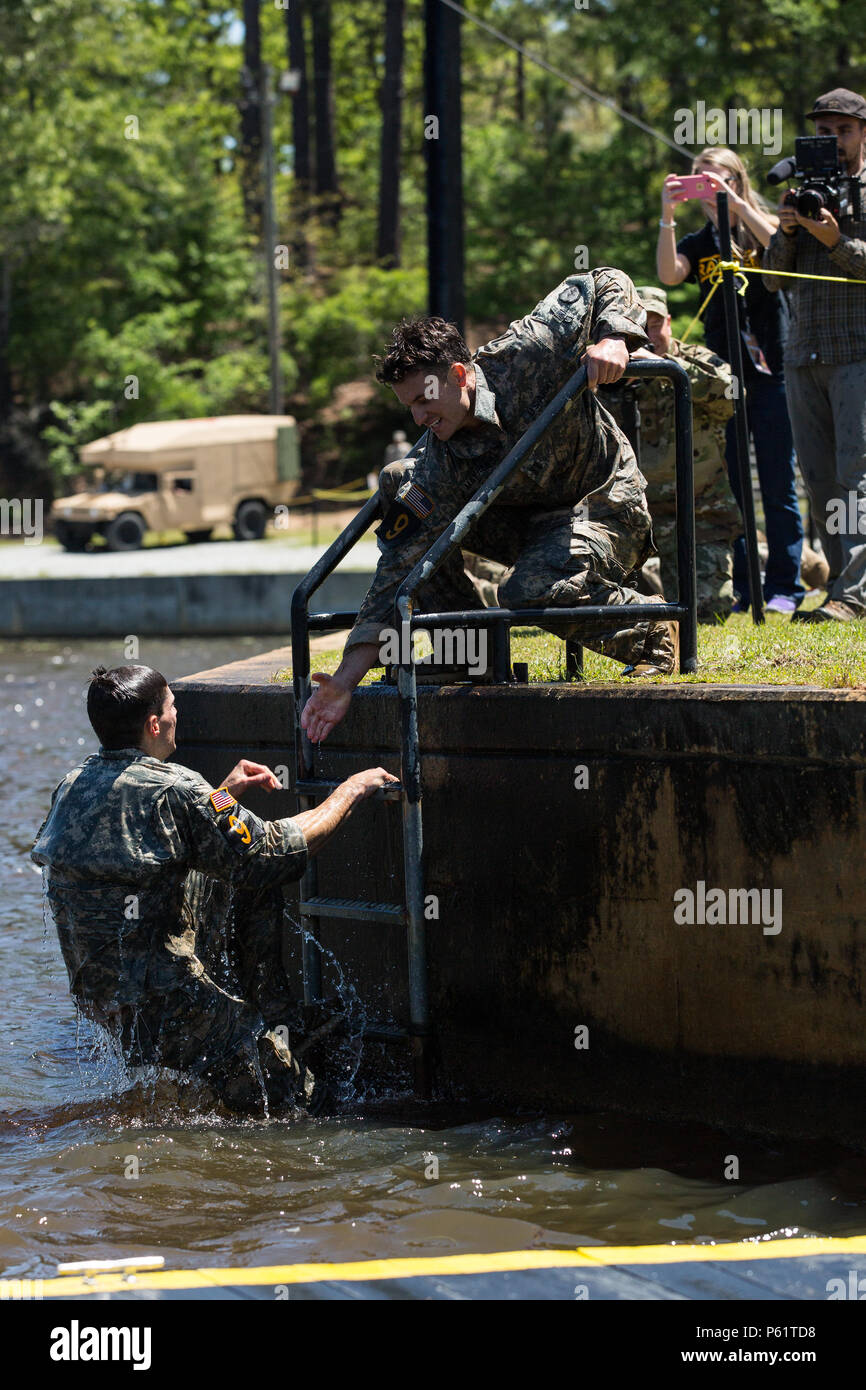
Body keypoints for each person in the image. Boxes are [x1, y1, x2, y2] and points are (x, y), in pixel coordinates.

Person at [301, 268, 679, 743]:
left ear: (459, 375)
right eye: (408, 407)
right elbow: (399, 568)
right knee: (404, 485)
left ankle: (651, 630)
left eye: (424, 399)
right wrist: (342, 682)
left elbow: (604, 278)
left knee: (525, 589)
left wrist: (614, 337)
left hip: (602, 503)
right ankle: (468, 650)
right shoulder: (441, 455)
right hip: (531, 522)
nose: (419, 418)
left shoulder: (531, 348)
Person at [31, 665, 398, 1113]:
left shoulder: (72, 785)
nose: (177, 715)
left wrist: (221, 794)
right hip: (160, 1000)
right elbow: (270, 852)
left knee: (242, 880)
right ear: (154, 724)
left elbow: (186, 836)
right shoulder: (176, 789)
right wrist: (351, 788)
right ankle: (262, 1046)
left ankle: (270, 1012)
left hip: (102, 1000)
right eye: (172, 708)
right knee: (279, 1085)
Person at [657, 146, 805, 615]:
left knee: (778, 483)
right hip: (722, 380)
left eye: (714, 178)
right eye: (697, 180)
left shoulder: (762, 230)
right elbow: (669, 273)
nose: (704, 187)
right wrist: (667, 214)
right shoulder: (701, 242)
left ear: (736, 180)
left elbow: (783, 247)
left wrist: (737, 206)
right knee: (733, 485)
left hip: (772, 371)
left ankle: (786, 586)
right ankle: (745, 586)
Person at [763, 88, 866, 623]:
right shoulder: (802, 195)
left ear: (863, 132)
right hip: (803, 355)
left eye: (843, 130)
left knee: (858, 473)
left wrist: (834, 239)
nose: (833, 140)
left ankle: (856, 594)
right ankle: (839, 587)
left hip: (859, 353)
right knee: (821, 479)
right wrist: (786, 229)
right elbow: (774, 276)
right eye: (823, 132)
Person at [604, 286, 739, 622]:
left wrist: (666, 366)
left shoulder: (695, 360)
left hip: (700, 508)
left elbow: (733, 392)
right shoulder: (616, 370)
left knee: (709, 611)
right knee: (632, 612)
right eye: (637, 328)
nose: (647, 336)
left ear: (667, 321)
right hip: (642, 516)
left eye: (652, 326)